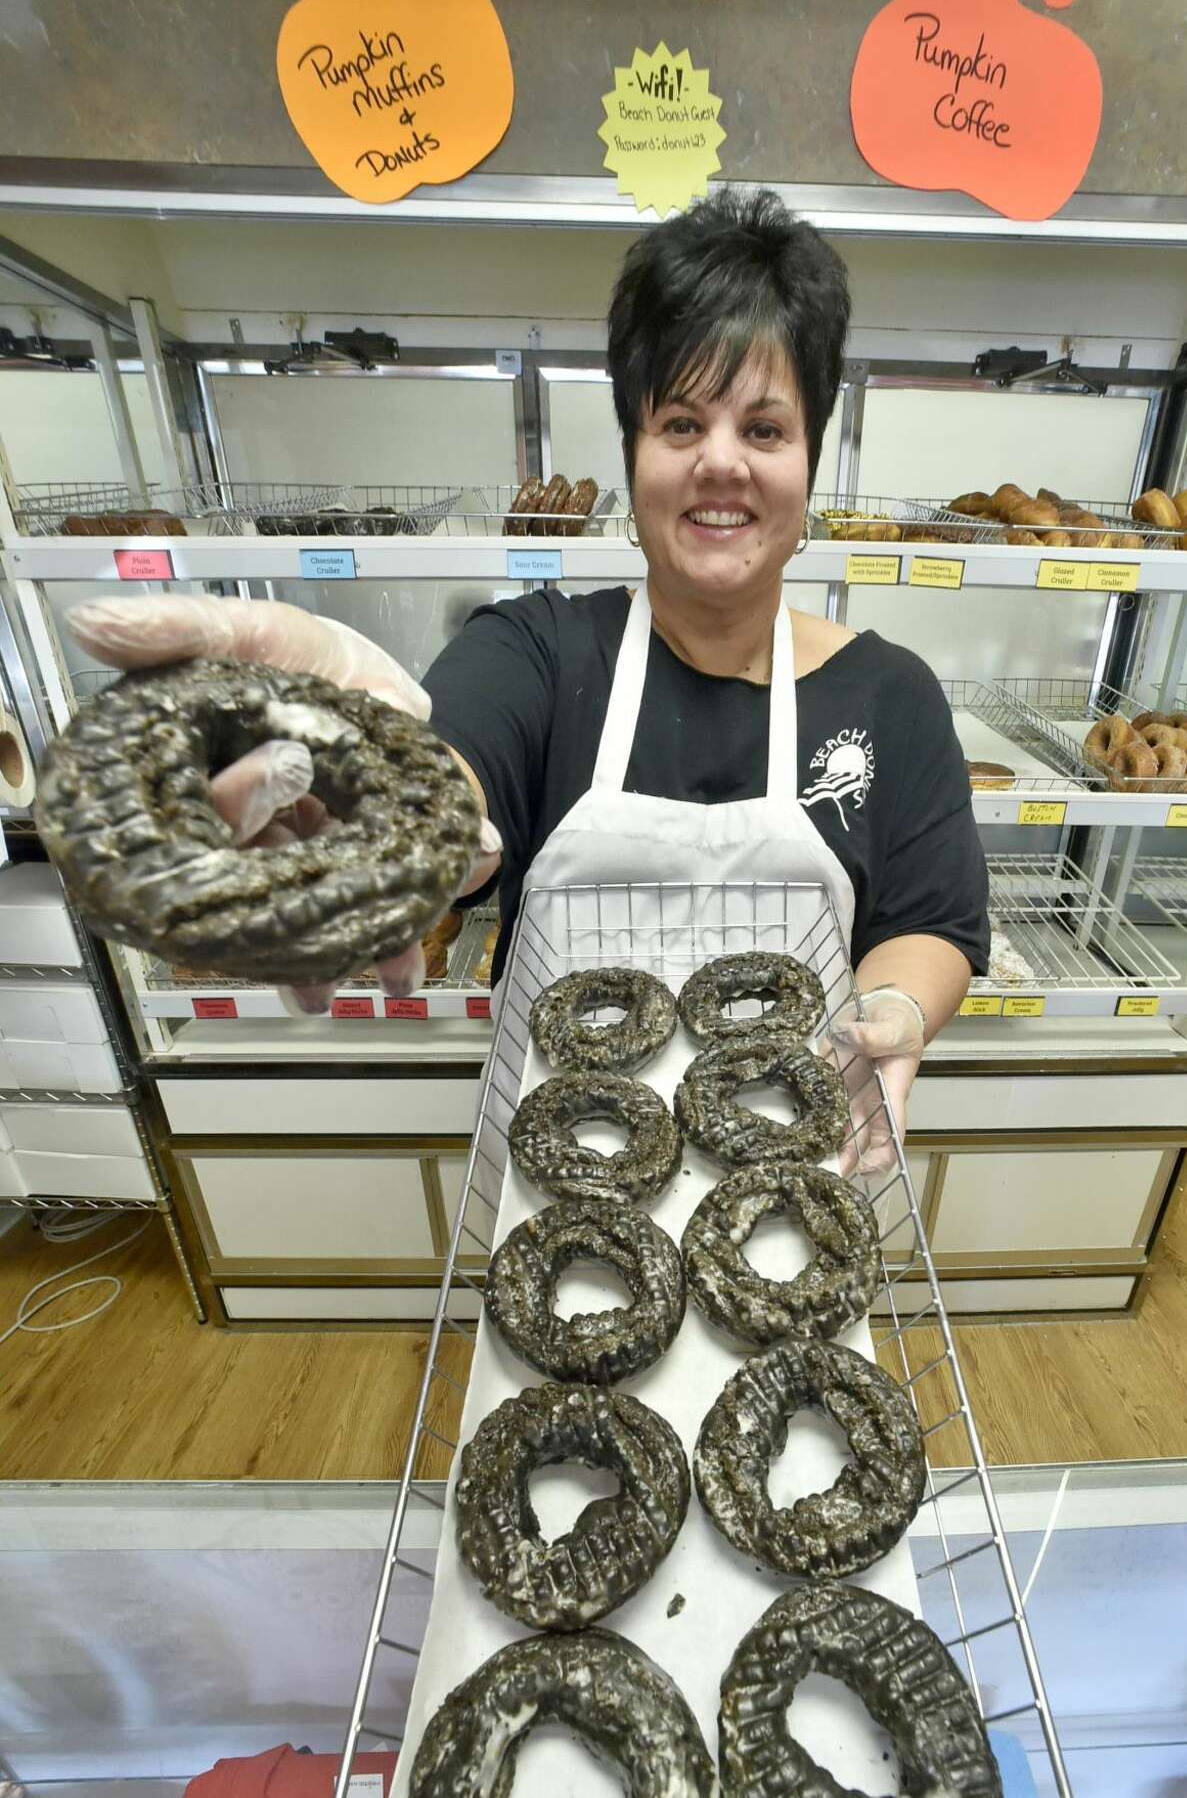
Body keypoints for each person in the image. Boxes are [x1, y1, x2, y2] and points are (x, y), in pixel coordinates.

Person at [67, 188, 988, 1175]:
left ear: (810, 457)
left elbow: (931, 921)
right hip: (563, 1175)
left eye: (763, 429)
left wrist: (891, 1010)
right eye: (681, 423)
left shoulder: (892, 694)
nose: (721, 462)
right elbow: (445, 772)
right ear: (633, 451)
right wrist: (376, 798)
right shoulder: (538, 653)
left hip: (799, 1157)